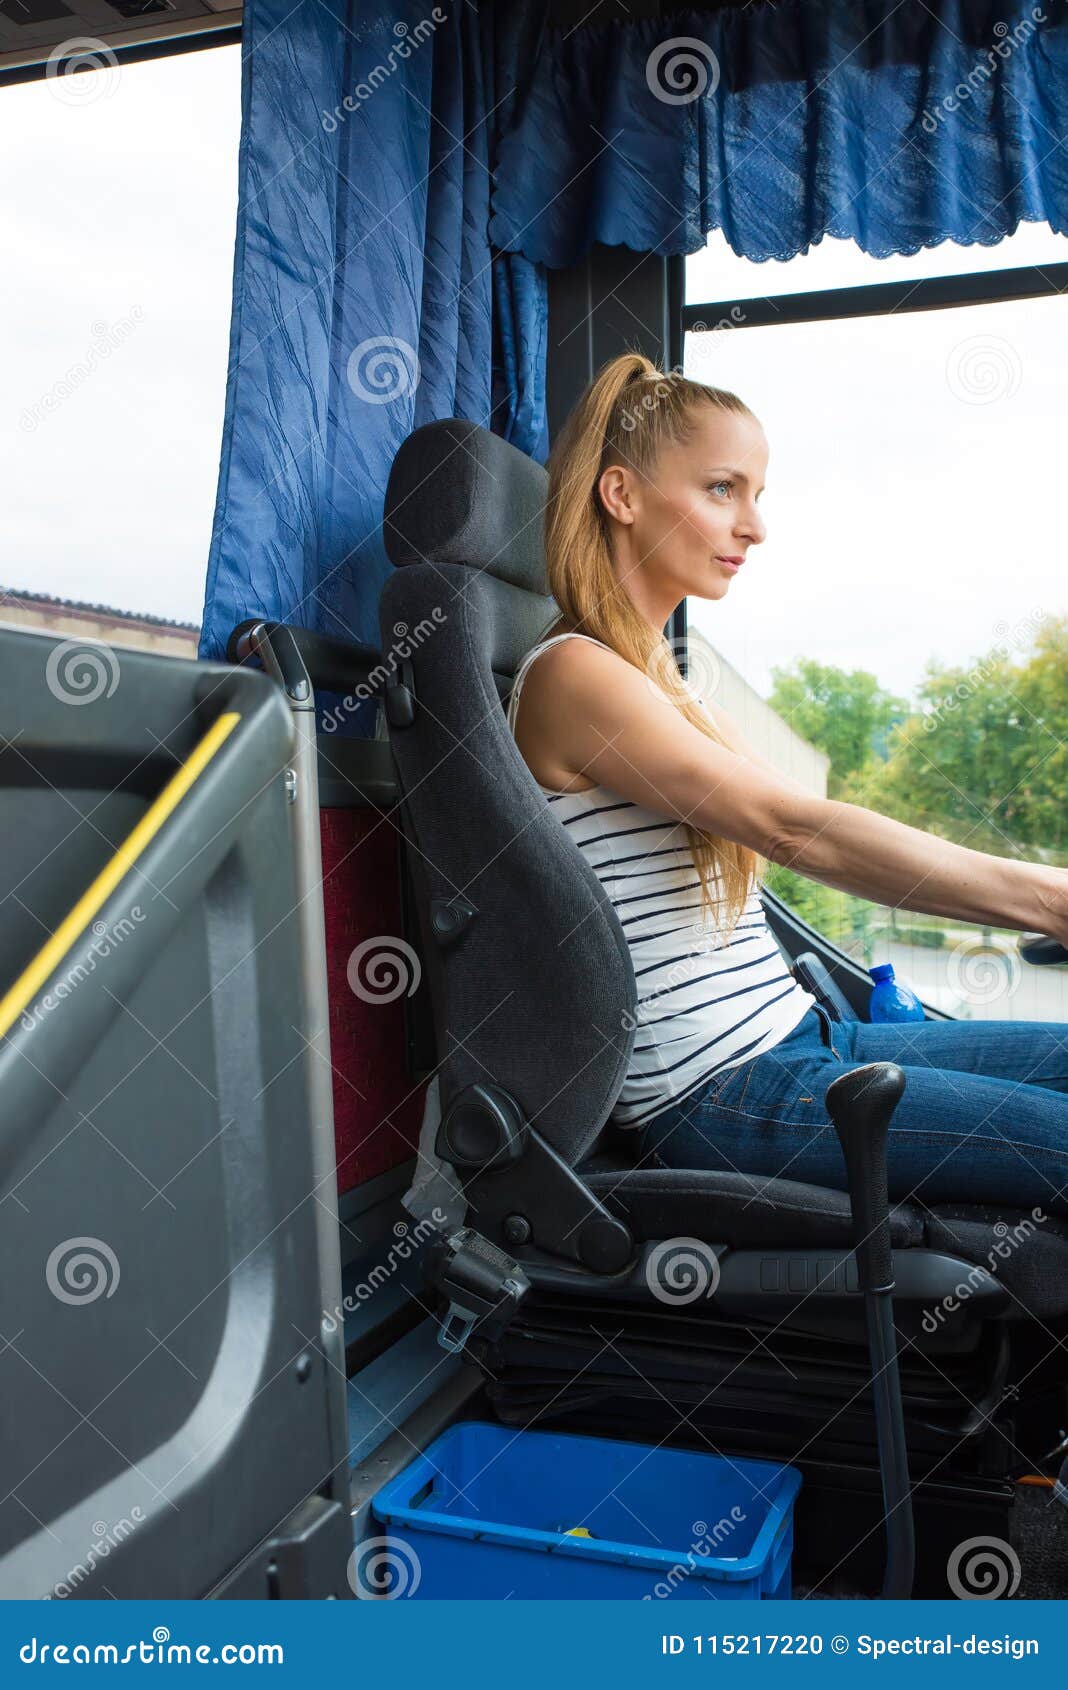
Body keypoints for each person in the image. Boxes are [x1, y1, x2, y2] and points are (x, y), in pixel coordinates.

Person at [506, 350, 1068, 1223]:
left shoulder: (650, 674)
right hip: (725, 1093)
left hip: (803, 1038)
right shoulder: (576, 675)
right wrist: (1050, 901)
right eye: (723, 490)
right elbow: (796, 828)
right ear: (621, 496)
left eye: (756, 495)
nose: (755, 527)